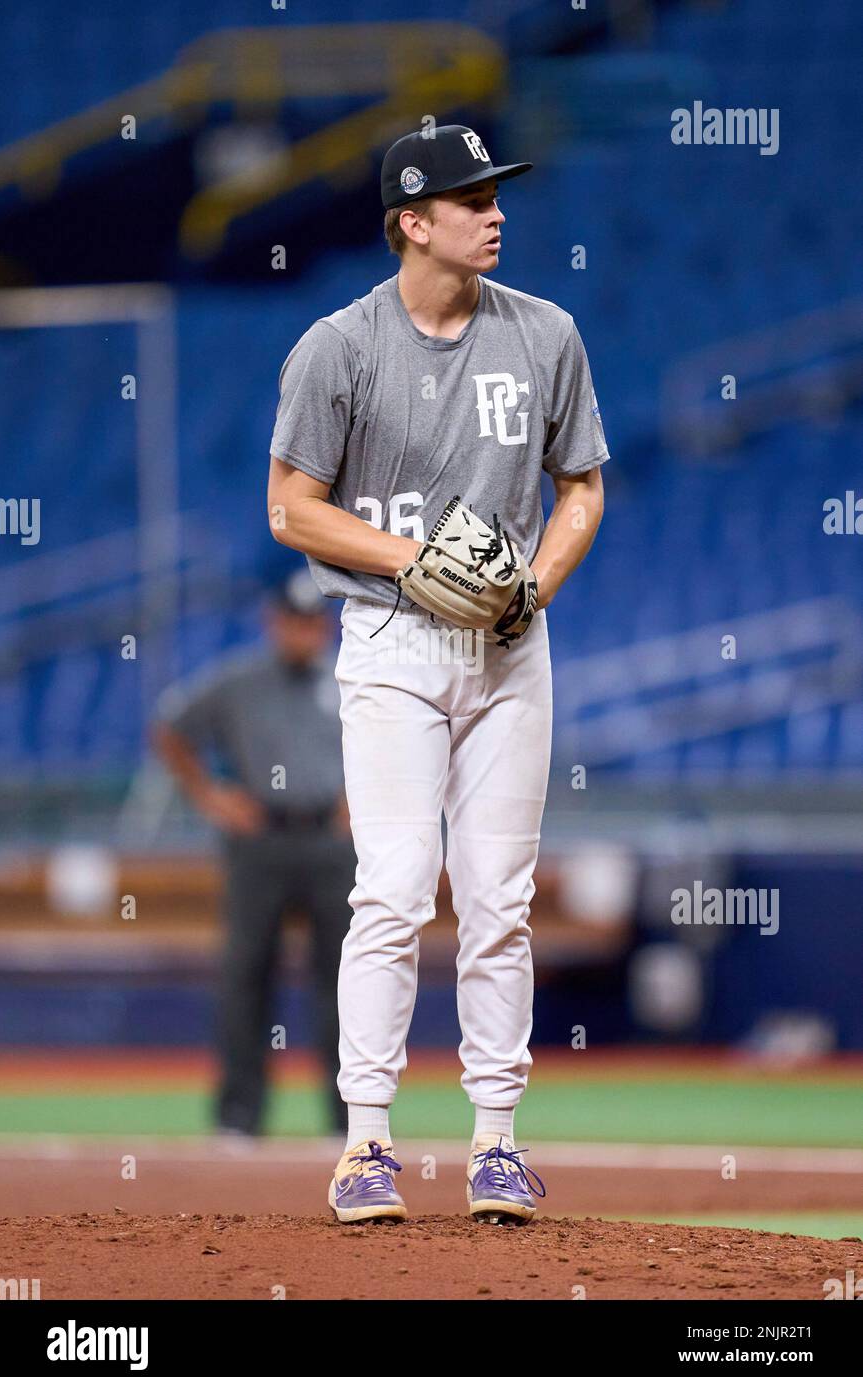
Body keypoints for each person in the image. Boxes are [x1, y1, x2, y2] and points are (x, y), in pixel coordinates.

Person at [267, 125, 608, 1222]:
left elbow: (582, 490)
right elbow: (290, 507)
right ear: (411, 222)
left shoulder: (546, 333)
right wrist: (414, 559)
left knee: (500, 903)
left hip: (510, 647)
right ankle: (365, 1144)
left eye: (494, 192)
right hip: (389, 640)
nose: (493, 210)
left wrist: (533, 588)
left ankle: (495, 1146)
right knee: (394, 889)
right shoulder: (339, 346)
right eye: (468, 198)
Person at [151, 571, 354, 1138]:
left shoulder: (348, 679)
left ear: (326, 628)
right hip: (260, 840)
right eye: (293, 621)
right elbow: (170, 728)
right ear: (273, 622)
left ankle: (351, 1120)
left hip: (329, 842)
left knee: (345, 982)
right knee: (245, 976)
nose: (302, 633)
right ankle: (238, 1120)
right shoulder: (239, 681)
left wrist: (358, 802)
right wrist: (210, 796)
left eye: (313, 623)